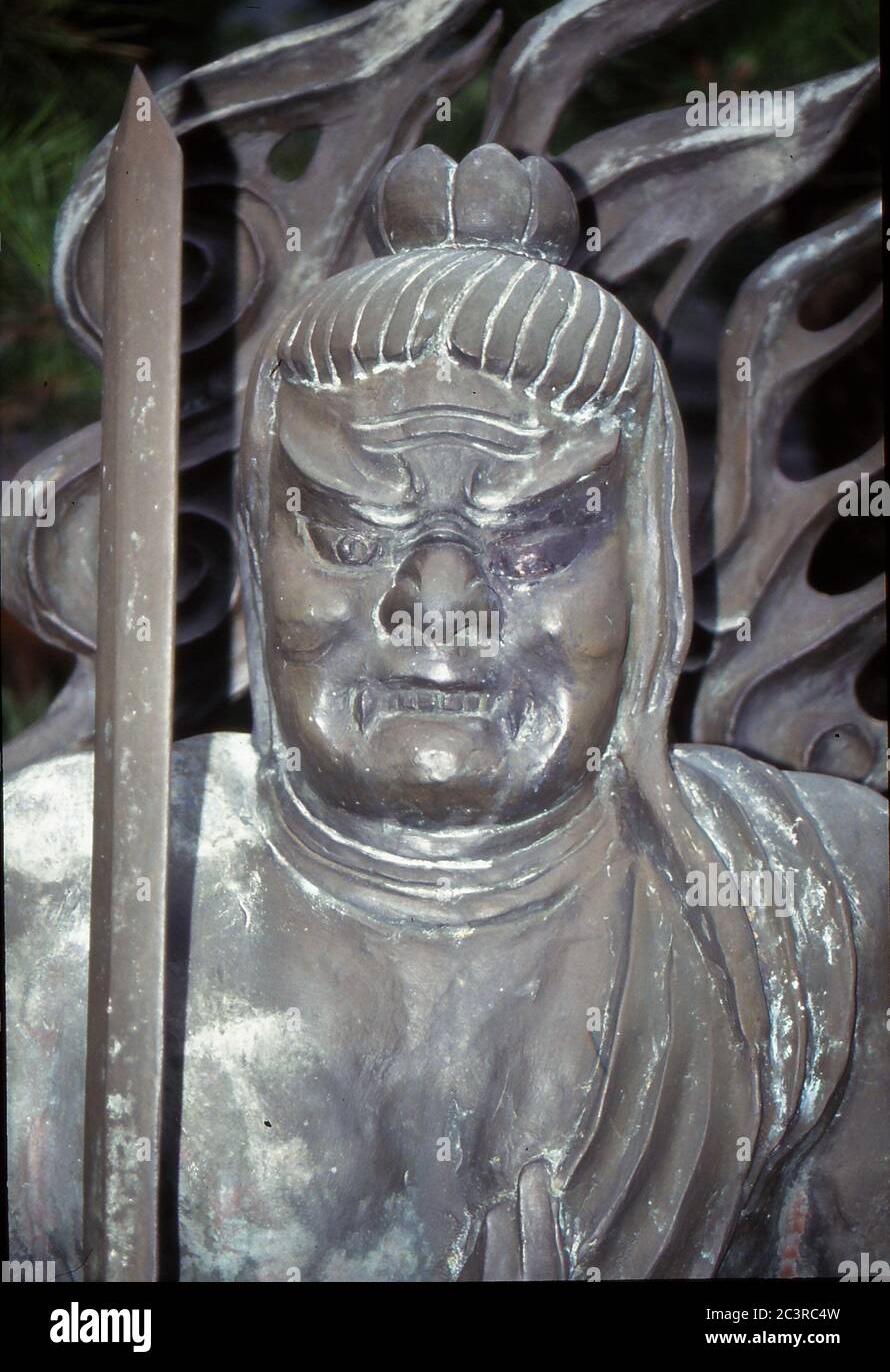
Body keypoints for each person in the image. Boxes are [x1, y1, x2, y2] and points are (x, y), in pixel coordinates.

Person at [6, 145, 887, 1281]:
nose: (439, 605)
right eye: (346, 528)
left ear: (646, 567)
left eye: (531, 534)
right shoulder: (59, 890)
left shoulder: (812, 901)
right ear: (260, 554)